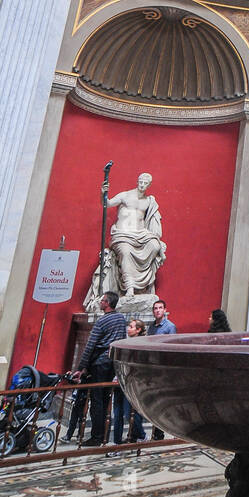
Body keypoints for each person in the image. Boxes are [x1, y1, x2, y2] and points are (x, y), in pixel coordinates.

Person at [72, 291, 127, 446]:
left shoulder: (102, 322)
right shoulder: (121, 319)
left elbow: (90, 346)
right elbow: (122, 342)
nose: (100, 302)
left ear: (107, 303)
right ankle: (104, 433)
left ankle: (97, 436)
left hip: (99, 364)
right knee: (106, 399)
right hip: (112, 364)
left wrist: (81, 367)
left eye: (102, 300)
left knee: (96, 401)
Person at [103, 172, 166, 300]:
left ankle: (142, 285)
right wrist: (103, 193)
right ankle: (130, 287)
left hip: (140, 234)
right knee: (126, 252)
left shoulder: (149, 201)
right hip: (123, 234)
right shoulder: (125, 195)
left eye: (145, 183)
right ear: (137, 181)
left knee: (154, 245)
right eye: (141, 182)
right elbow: (107, 204)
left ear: (149, 185)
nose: (142, 185)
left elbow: (153, 219)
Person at [112, 318, 147, 444]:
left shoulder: (141, 345)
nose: (128, 328)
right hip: (120, 380)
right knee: (117, 413)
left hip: (131, 382)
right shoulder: (125, 342)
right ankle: (117, 442)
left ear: (138, 330)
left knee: (129, 412)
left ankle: (141, 435)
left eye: (131, 327)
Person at [148, 299, 177, 439]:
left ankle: (160, 431)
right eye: (155, 308)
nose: (157, 310)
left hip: (163, 367)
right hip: (152, 366)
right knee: (153, 400)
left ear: (165, 310)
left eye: (160, 308)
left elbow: (172, 348)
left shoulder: (170, 327)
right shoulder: (151, 327)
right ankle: (156, 430)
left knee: (161, 400)